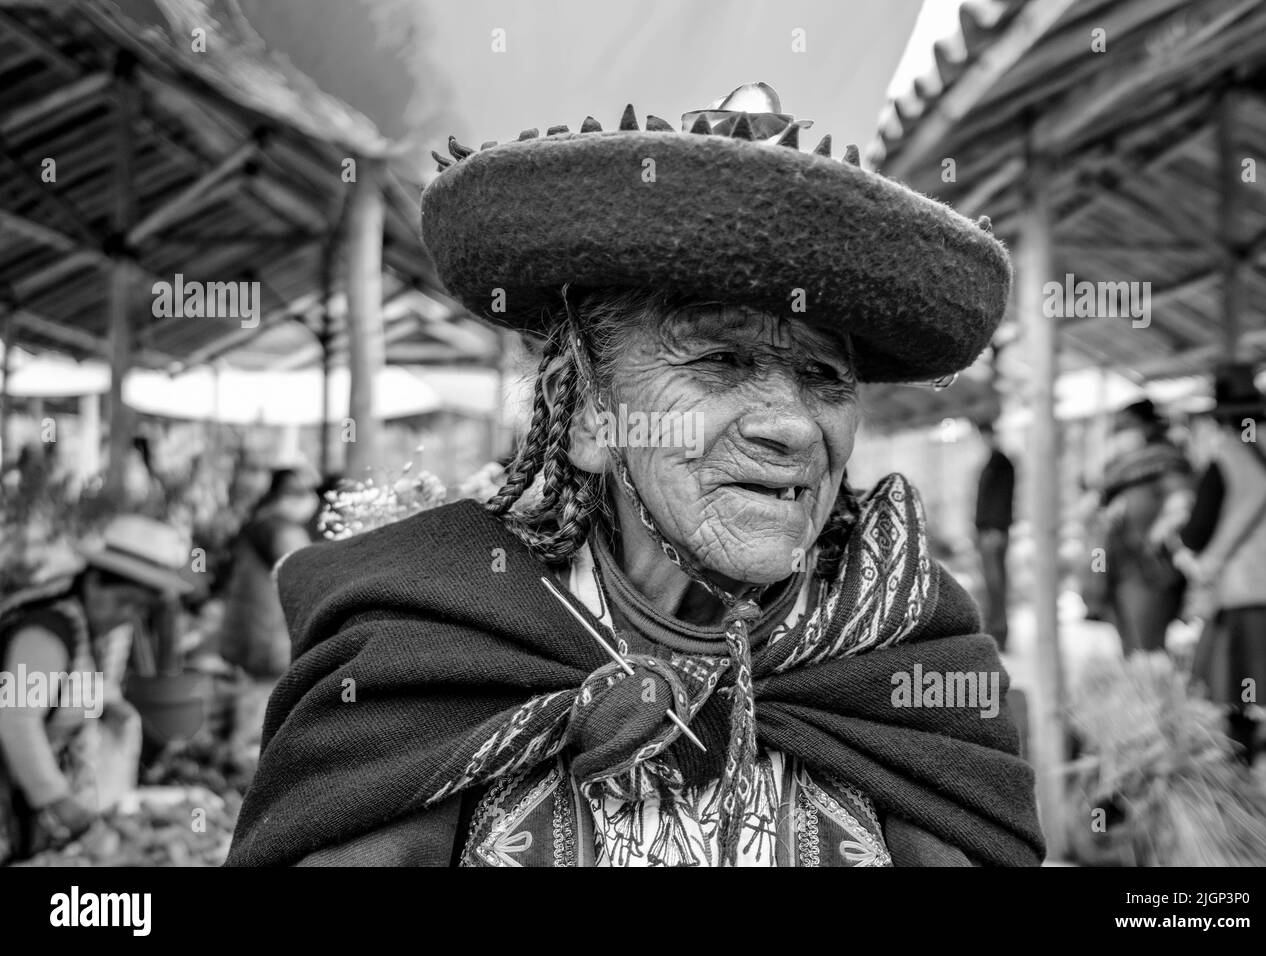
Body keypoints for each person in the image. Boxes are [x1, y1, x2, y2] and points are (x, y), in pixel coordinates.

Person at [226, 83, 1044, 867]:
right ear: (588, 415)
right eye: (722, 361)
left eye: (826, 379)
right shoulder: (430, 651)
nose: (794, 426)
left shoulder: (911, 658)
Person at [0, 515, 193, 863]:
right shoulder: (44, 633)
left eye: (139, 607)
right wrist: (56, 799)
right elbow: (16, 720)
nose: (127, 614)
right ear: (92, 582)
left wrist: (110, 706)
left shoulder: (93, 631)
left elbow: (82, 689)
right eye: (123, 601)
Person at [1176, 365, 1266, 824]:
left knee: (1239, 705)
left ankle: (1241, 803)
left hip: (1246, 596)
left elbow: (1196, 534)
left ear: (1222, 416)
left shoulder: (1227, 456)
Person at [216, 467, 317, 764]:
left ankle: (238, 765)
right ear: (287, 495)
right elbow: (307, 576)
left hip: (249, 633)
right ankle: (246, 775)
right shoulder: (283, 531)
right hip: (268, 636)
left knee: (251, 704)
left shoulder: (256, 522)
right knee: (261, 713)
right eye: (303, 493)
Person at [1092, 398, 1194, 654]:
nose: (1122, 433)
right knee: (1130, 647)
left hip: (1150, 569)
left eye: (1128, 426)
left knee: (1147, 647)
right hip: (1118, 567)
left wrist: (1161, 532)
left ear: (1148, 427)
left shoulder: (1167, 462)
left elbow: (1183, 502)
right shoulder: (1121, 470)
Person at [973, 421, 1015, 650]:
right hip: (988, 531)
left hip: (993, 532)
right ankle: (995, 633)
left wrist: (995, 528)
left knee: (996, 585)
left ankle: (999, 634)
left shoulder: (1001, 462)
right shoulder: (993, 461)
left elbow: (1000, 500)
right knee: (992, 586)